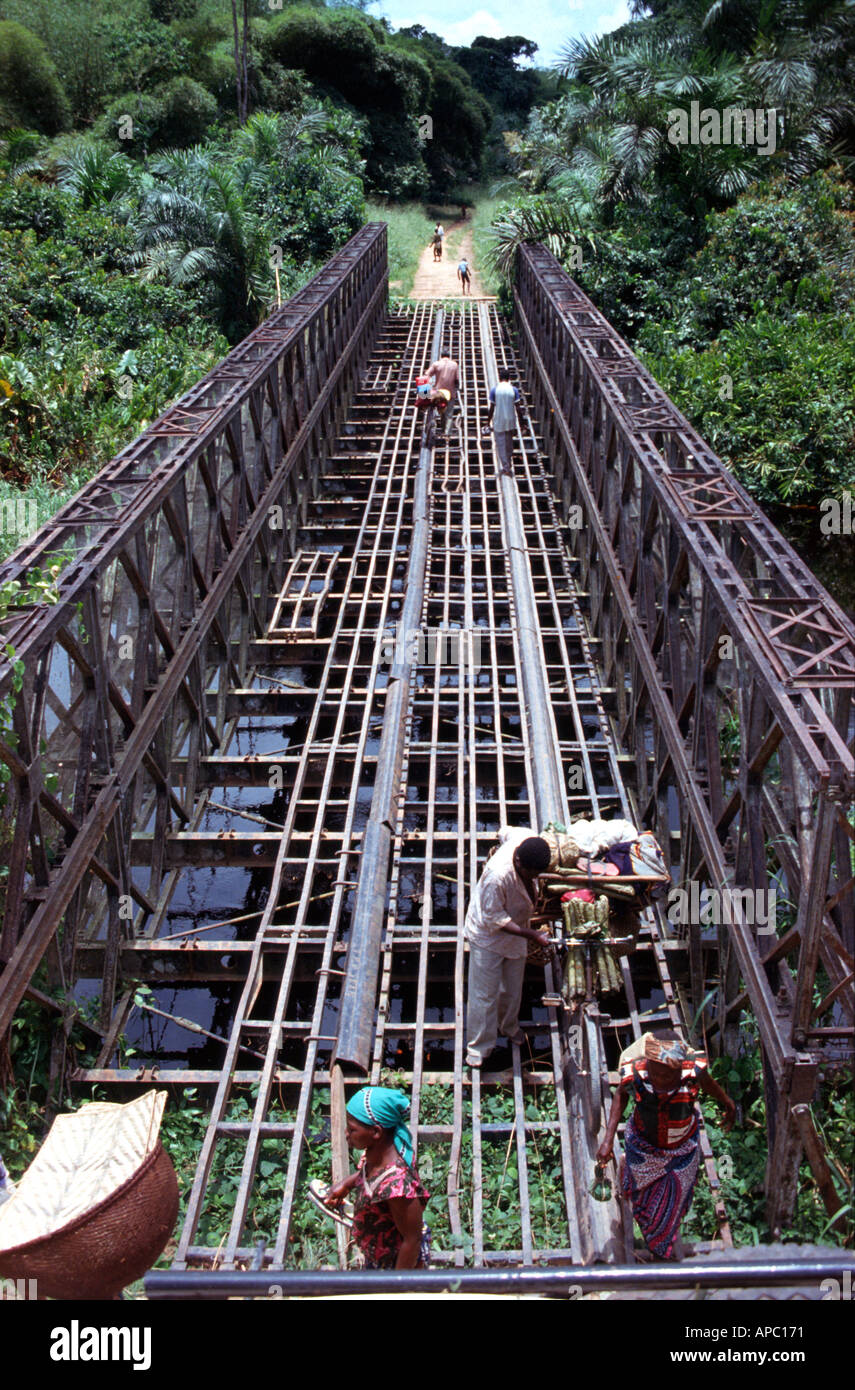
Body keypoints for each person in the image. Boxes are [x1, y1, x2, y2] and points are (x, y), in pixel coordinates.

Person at [596, 1031, 736, 1260]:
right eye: (657, 1073)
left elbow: (709, 1084)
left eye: (669, 1075)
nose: (662, 1080)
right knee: (643, 1198)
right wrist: (607, 1140)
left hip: (682, 1150)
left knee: (672, 1202)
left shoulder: (693, 1071)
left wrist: (727, 1102)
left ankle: (659, 1244)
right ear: (647, 1064)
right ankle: (654, 1234)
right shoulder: (636, 1073)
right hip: (643, 1147)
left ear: (679, 1068)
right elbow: (620, 1097)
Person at [464, 827, 554, 1068]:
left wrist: (501, 832)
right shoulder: (497, 876)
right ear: (519, 862)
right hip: (488, 936)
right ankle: (478, 1047)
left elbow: (507, 832)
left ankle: (508, 1026)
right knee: (484, 994)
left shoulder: (526, 839)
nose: (534, 877)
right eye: (531, 874)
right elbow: (494, 919)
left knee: (512, 988)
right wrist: (532, 934)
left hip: (517, 930)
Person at [325, 1086, 430, 1269]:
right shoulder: (376, 1156)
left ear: (376, 1132)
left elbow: (412, 1241)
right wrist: (347, 1184)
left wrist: (396, 1283)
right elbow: (368, 1174)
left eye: (352, 1129)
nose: (346, 1134)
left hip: (397, 1266)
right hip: (379, 1256)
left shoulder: (397, 1186)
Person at [484, 367, 521, 476]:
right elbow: (518, 408)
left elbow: (492, 408)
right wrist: (522, 423)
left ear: (499, 378)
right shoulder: (514, 390)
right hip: (510, 421)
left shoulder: (494, 390)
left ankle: (506, 467)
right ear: (509, 378)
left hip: (499, 421)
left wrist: (488, 421)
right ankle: (508, 464)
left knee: (501, 445)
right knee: (509, 444)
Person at [426, 347, 460, 442]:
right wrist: (456, 387)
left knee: (442, 411)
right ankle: (447, 434)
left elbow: (427, 374)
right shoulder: (454, 365)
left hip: (439, 393)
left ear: (441, 356)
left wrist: (429, 385)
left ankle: (442, 429)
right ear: (449, 356)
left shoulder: (436, 364)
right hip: (450, 393)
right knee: (449, 414)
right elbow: (457, 379)